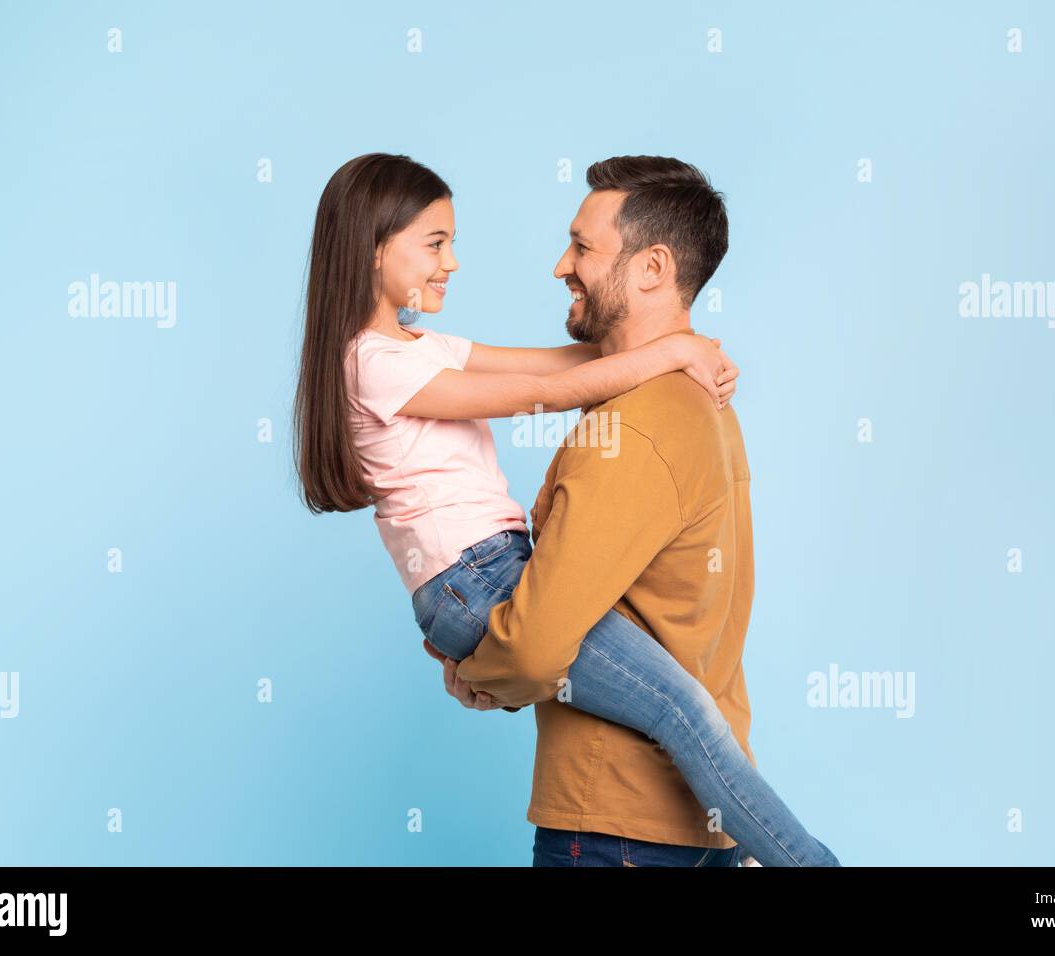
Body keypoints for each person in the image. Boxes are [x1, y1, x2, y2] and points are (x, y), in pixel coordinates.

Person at [293, 152, 839, 867]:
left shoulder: (632, 423)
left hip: (614, 814)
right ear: (371, 247)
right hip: (475, 578)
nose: (453, 261)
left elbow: (549, 369)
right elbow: (536, 395)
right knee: (688, 716)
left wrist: (486, 667)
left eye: (582, 246)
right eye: (436, 243)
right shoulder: (376, 362)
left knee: (683, 715)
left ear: (651, 268)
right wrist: (679, 352)